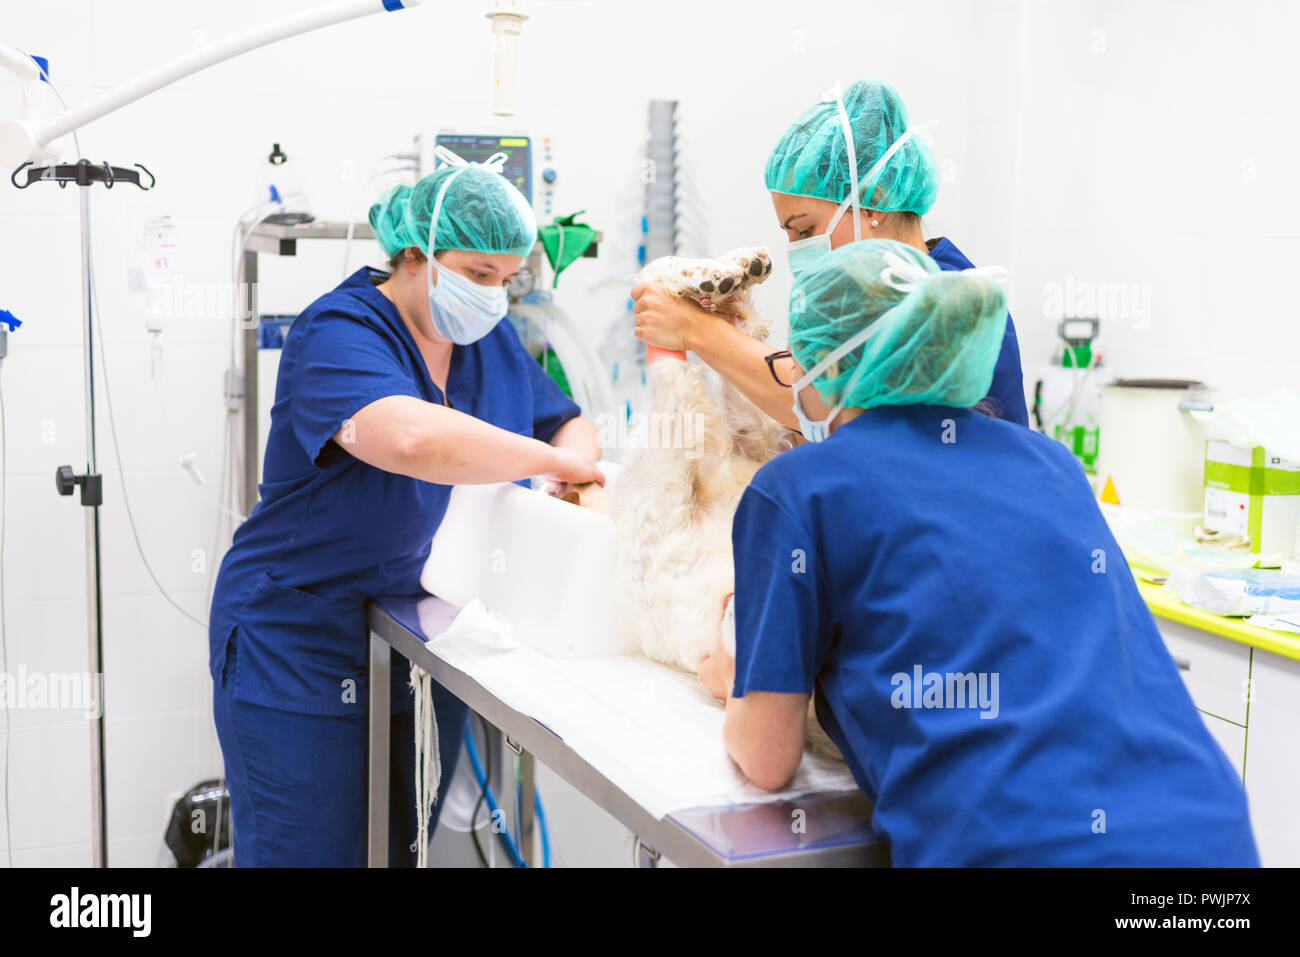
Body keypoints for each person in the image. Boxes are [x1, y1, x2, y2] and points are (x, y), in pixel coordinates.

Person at [697, 239, 1259, 866]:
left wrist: (733, 675)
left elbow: (767, 760)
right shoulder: (1052, 462)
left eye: (797, 364)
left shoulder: (800, 488)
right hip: (1209, 844)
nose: (794, 381)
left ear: (830, 364)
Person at [208, 154, 602, 867]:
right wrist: (551, 463)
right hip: (297, 645)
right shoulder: (339, 332)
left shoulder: (489, 342)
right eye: (479, 275)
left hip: (419, 645)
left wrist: (567, 473)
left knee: (400, 853)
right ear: (416, 255)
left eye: (507, 280)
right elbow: (413, 438)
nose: (494, 296)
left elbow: (566, 422)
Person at [631, 77, 1028, 428]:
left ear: (873, 202)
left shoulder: (946, 300)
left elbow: (824, 401)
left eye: (805, 230)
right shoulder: (863, 300)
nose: (798, 251)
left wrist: (696, 330)